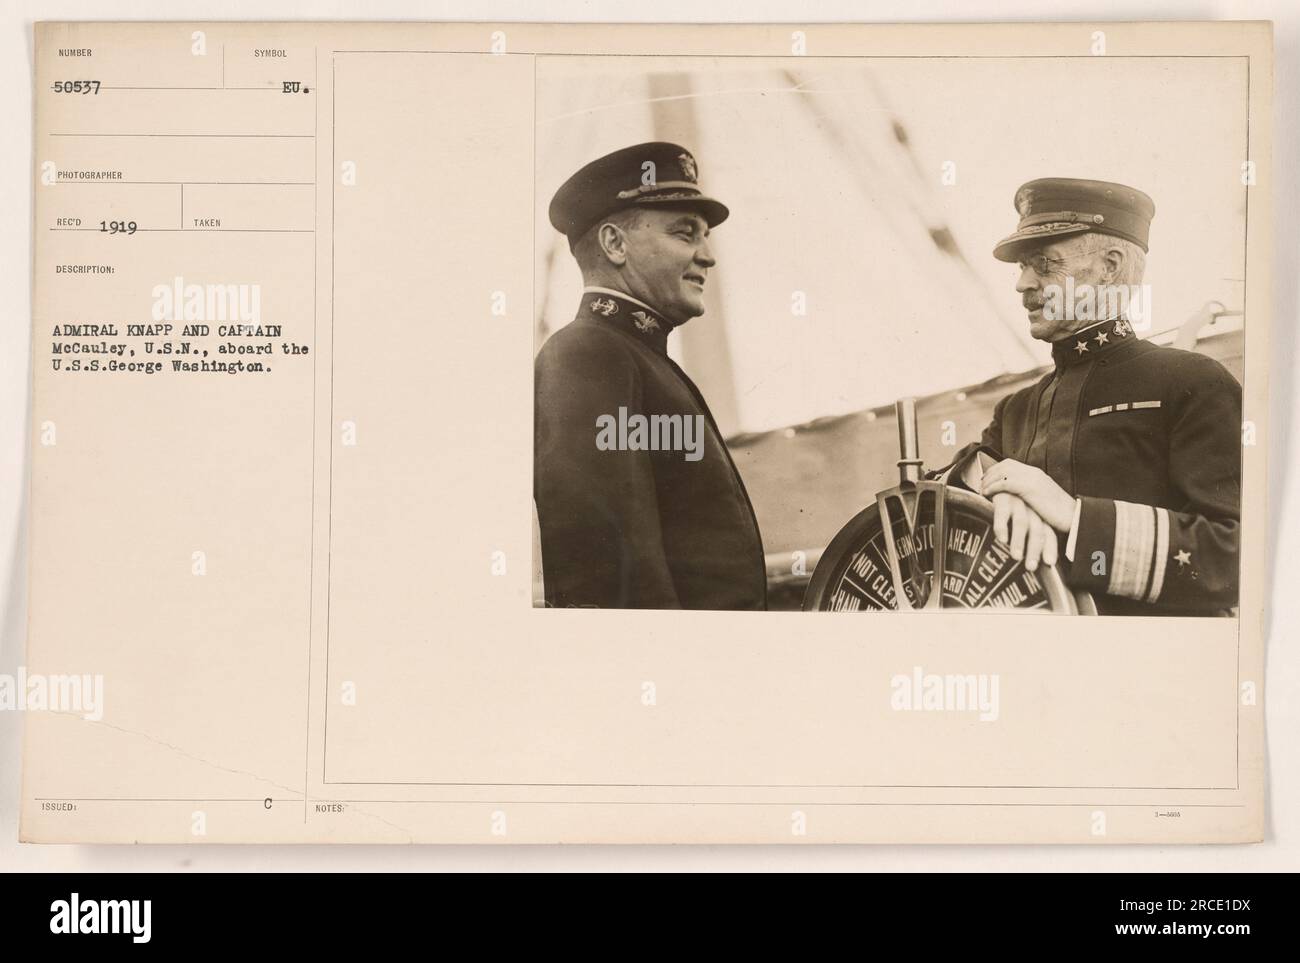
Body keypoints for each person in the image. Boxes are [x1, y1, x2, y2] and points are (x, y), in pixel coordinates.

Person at [955, 177, 1241, 615]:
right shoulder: (1015, 410)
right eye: (1021, 267)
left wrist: (1074, 517)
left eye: (1044, 265)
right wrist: (1001, 491)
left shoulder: (1193, 382)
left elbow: (1237, 556)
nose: (1022, 284)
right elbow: (943, 503)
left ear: (1110, 267)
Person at [534, 142, 766, 609]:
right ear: (615, 244)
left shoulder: (640, 359)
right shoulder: (587, 355)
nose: (707, 256)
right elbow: (609, 570)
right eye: (686, 234)